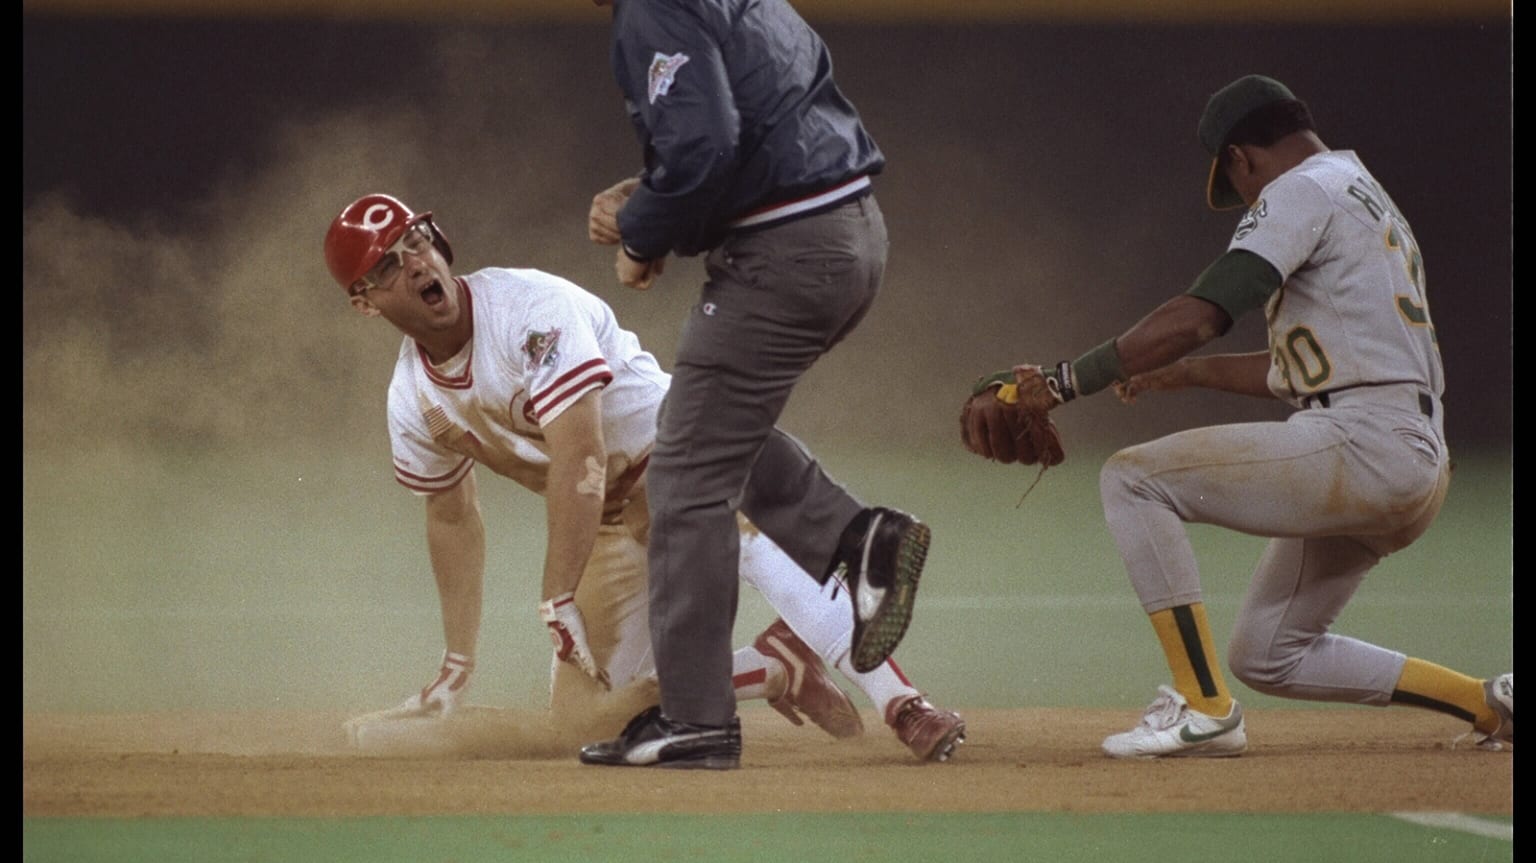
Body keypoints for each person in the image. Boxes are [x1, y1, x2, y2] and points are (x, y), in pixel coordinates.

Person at [963, 74, 1512, 758]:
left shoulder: (1300, 189)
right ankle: (1488, 703)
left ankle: (1203, 706)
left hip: (1364, 442)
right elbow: (1303, 369)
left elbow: (1201, 314)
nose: (1246, 200)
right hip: (1411, 453)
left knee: (1132, 479)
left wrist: (1062, 382)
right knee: (1269, 653)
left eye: (1238, 184)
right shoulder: (1361, 194)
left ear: (1240, 158)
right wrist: (1183, 373)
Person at [323, 193, 966, 763]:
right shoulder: (413, 400)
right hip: (605, 524)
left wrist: (557, 594)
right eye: (388, 264)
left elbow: (582, 456)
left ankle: (903, 704)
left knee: (753, 544)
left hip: (685, 460)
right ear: (365, 302)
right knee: (578, 725)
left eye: (416, 240)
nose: (415, 262)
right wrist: (456, 666)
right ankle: (774, 668)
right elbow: (452, 518)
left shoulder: (527, 308)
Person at [578, 0, 933, 769]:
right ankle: (859, 536)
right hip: (850, 231)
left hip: (787, 252)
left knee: (684, 477)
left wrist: (642, 230)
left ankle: (696, 717)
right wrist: (655, 196)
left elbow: (706, 143)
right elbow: (754, 124)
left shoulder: (651, 6)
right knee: (710, 438)